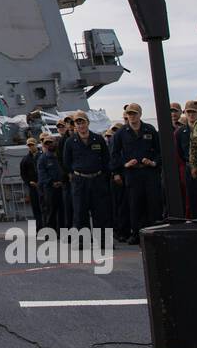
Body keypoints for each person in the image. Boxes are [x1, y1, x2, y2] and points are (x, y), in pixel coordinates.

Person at [111, 103, 162, 245]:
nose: (132, 116)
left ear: (140, 114)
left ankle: (153, 232)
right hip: (132, 174)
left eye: (134, 113)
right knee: (134, 204)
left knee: (152, 203)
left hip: (148, 172)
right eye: (129, 114)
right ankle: (136, 233)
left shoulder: (150, 130)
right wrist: (124, 164)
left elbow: (159, 151)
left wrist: (153, 162)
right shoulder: (121, 133)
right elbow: (114, 154)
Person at [60, 111, 111, 249]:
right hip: (80, 181)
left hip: (97, 179)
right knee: (80, 212)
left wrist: (104, 176)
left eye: (82, 122)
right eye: (78, 122)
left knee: (101, 212)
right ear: (75, 125)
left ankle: (104, 241)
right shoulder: (70, 142)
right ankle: (83, 242)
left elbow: (106, 159)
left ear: (88, 122)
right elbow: (66, 162)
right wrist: (74, 175)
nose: (81, 125)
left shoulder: (98, 139)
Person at [36, 135, 65, 230]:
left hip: (62, 187)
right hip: (49, 189)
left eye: (51, 142)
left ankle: (62, 232)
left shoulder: (61, 156)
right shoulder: (43, 159)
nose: (50, 145)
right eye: (47, 143)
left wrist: (62, 181)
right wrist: (52, 182)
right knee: (50, 211)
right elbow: (42, 174)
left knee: (63, 211)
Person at [19, 137, 40, 230]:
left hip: (43, 185)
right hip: (33, 186)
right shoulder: (25, 160)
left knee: (47, 208)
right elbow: (23, 174)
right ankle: (39, 228)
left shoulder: (42, 156)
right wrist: (29, 182)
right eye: (29, 145)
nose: (31, 147)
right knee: (36, 208)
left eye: (32, 144)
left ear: (36, 144)